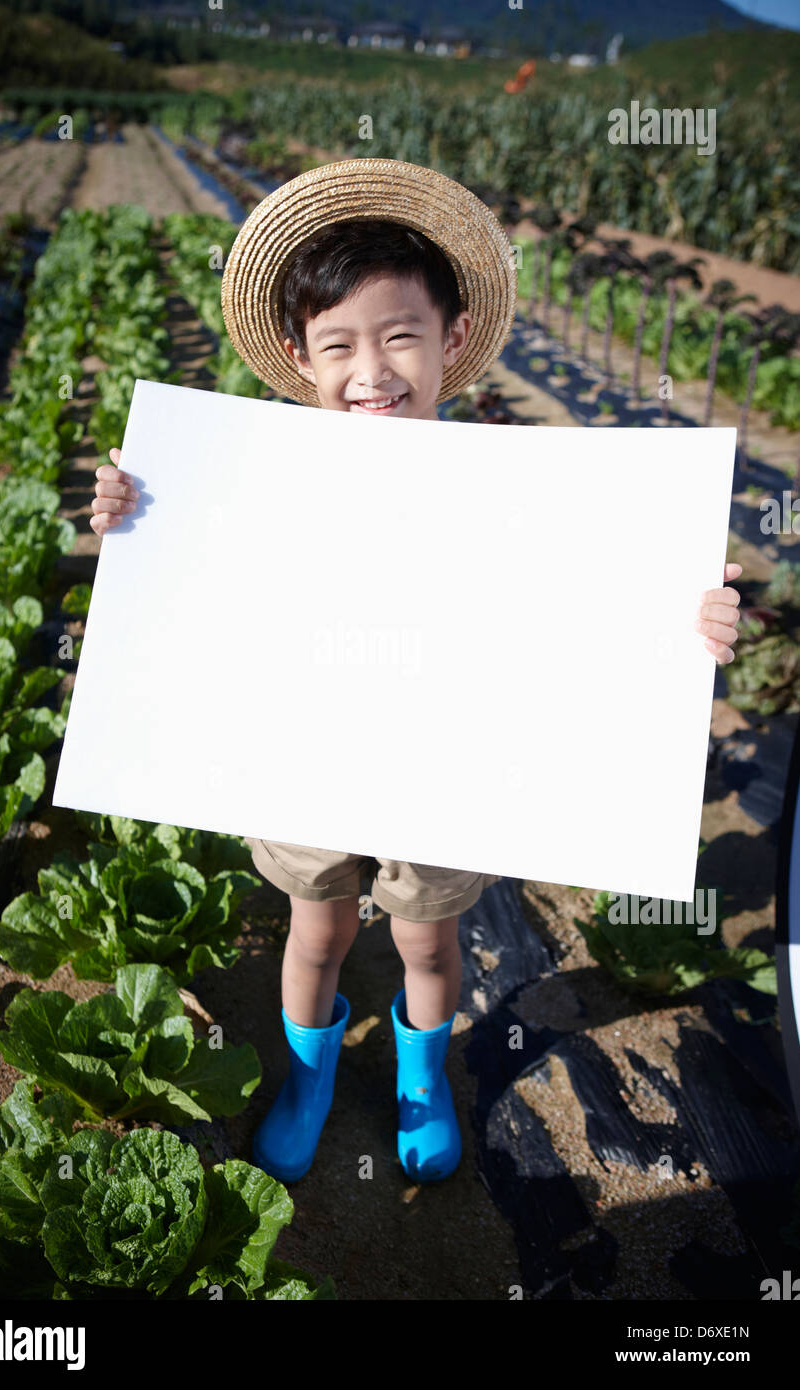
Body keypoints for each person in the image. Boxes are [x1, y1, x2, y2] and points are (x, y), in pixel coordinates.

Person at [89, 159, 742, 1186]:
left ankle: (418, 1079)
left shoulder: (510, 488)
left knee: (428, 948)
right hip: (301, 757)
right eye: (339, 344)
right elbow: (198, 567)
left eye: (398, 336)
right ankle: (308, 1077)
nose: (371, 370)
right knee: (316, 930)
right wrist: (137, 514)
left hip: (446, 768)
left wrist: (684, 618)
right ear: (299, 354)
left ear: (452, 335)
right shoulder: (256, 474)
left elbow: (590, 598)